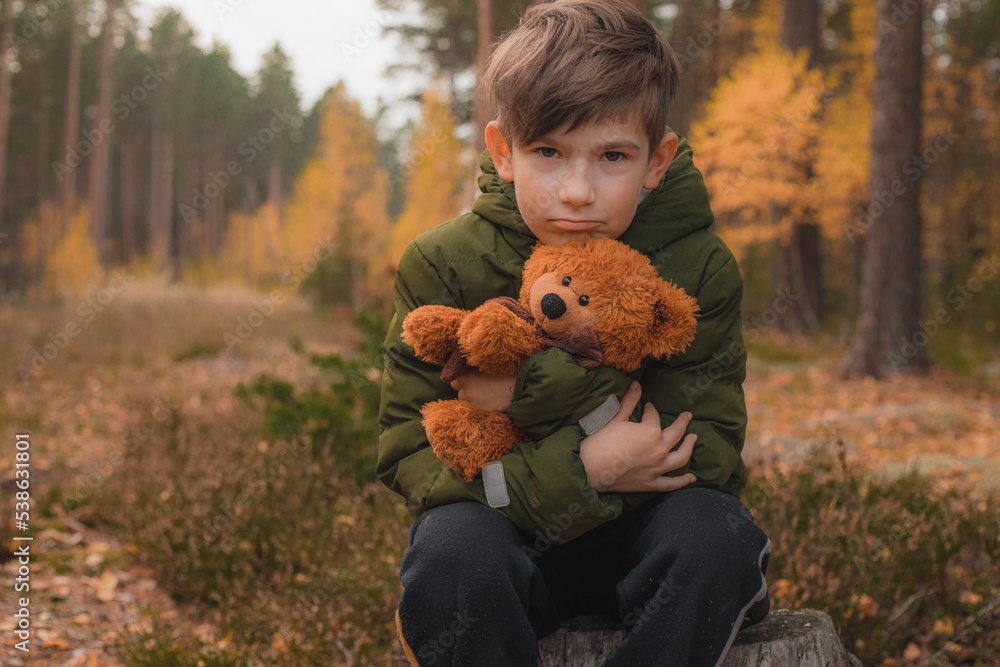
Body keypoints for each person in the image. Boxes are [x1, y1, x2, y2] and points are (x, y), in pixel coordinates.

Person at [377, 1, 770, 665]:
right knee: (448, 554)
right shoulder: (444, 262)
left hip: (646, 533)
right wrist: (586, 462)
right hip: (508, 532)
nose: (578, 191)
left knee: (719, 538)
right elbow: (412, 453)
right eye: (549, 153)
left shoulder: (701, 267)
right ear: (504, 151)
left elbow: (706, 444)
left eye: (612, 155)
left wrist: (518, 402)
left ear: (656, 160)